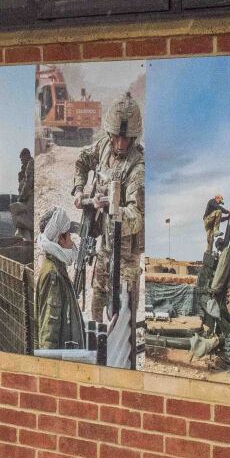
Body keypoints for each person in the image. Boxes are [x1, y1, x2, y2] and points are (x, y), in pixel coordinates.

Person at [73, 95, 145, 368]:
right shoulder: (104, 146)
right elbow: (82, 161)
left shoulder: (138, 168)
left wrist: (112, 208)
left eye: (125, 139)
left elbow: (136, 217)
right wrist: (80, 189)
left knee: (122, 315)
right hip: (104, 246)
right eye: (115, 136)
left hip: (125, 256)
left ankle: (123, 367)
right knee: (96, 304)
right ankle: (96, 358)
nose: (119, 144)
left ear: (134, 137)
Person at [32, 206, 81, 354]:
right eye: (69, 236)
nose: (72, 242)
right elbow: (49, 331)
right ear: (60, 238)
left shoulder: (57, 267)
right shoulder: (53, 274)